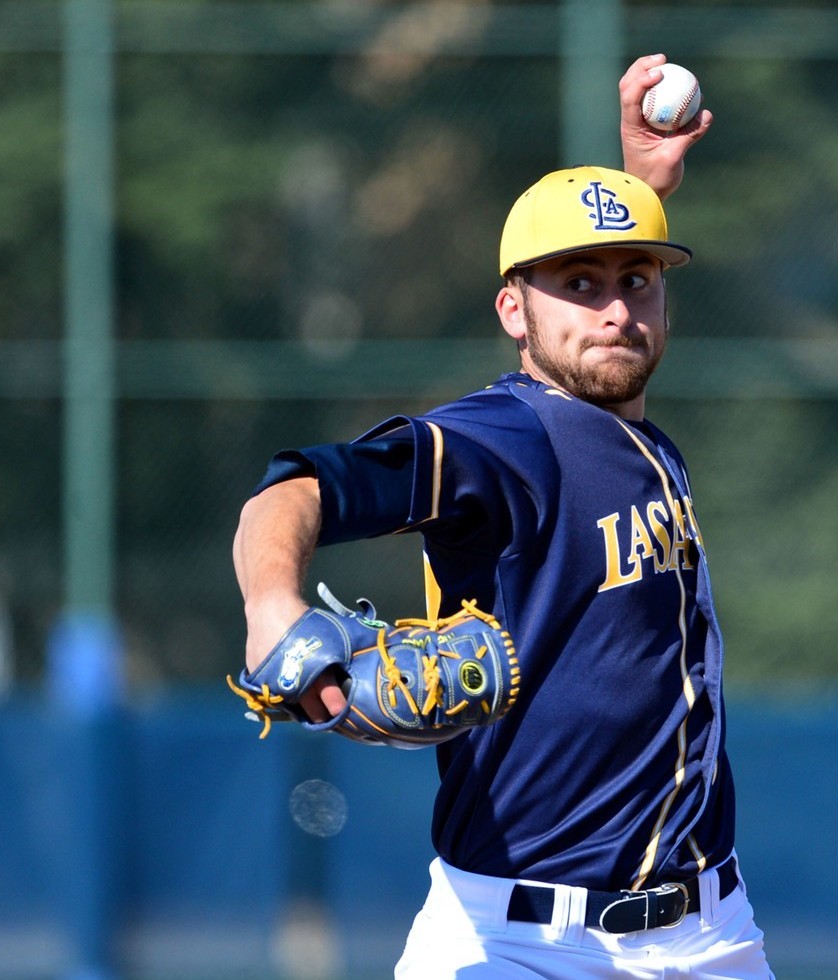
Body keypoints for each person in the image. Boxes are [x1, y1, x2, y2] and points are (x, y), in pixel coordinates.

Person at [231, 56, 772, 978]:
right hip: (520, 943)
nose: (615, 308)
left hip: (709, 934)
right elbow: (291, 494)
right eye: (579, 284)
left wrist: (637, 190)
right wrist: (272, 608)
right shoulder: (502, 437)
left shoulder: (633, 429)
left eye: (637, 279)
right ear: (512, 309)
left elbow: (604, 307)